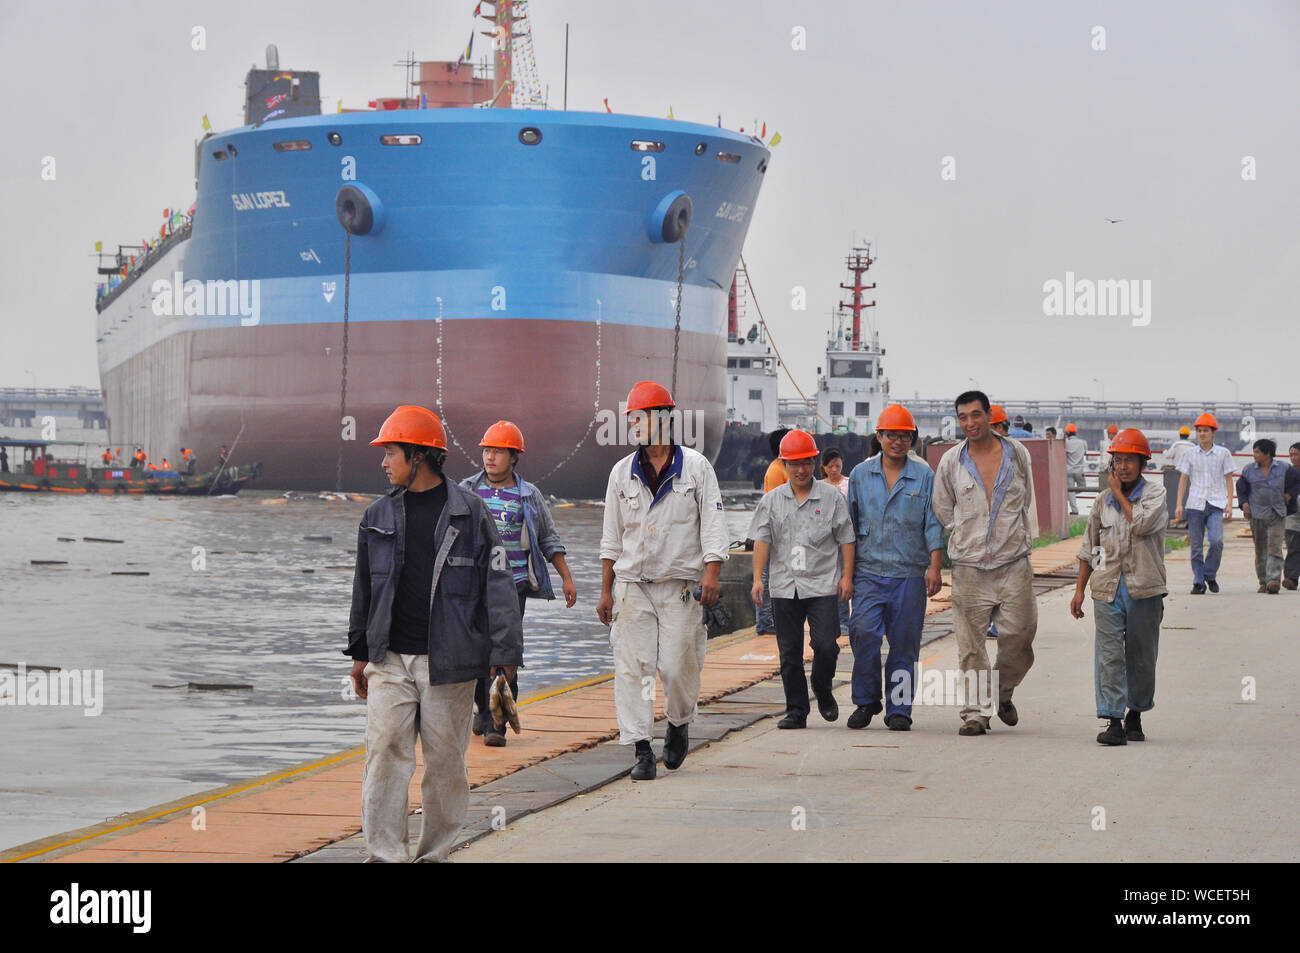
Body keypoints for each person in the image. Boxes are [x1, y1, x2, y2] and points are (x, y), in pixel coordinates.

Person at [344, 405, 522, 863]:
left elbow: (498, 585)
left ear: (419, 455)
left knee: (444, 766)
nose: (384, 463)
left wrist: (504, 655)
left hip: (451, 661)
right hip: (390, 659)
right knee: (384, 755)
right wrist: (360, 653)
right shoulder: (376, 515)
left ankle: (434, 854)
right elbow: (363, 588)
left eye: (390, 453)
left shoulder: (470, 513)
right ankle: (385, 855)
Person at [598, 381, 728, 781]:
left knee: (675, 667)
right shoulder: (621, 473)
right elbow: (611, 537)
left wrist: (712, 572)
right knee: (633, 669)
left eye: (643, 417)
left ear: (665, 420)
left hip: (681, 586)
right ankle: (641, 749)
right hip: (633, 585)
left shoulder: (696, 468)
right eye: (632, 419)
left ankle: (678, 722)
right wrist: (605, 590)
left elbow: (714, 524)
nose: (636, 425)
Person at [461, 420, 578, 745]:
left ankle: (498, 723)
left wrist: (566, 577)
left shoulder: (529, 495)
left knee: (506, 652)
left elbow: (548, 539)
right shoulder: (466, 491)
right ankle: (483, 710)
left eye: (498, 451)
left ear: (514, 457)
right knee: (476, 653)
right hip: (474, 587)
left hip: (513, 588)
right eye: (487, 450)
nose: (490, 457)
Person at [932, 390, 1039, 736]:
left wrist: (1026, 540)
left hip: (1013, 563)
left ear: (989, 416)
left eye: (975, 415)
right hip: (968, 567)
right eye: (963, 417)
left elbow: (1029, 500)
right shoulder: (951, 461)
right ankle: (976, 713)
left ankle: (1003, 692)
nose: (970, 423)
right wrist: (965, 533)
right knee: (971, 647)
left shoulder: (1017, 454)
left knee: (1020, 638)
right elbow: (943, 507)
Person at [845, 404, 943, 730]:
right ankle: (867, 700)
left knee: (904, 645)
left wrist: (934, 566)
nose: (897, 442)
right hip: (868, 572)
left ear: (912, 439)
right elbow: (848, 526)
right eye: (891, 435)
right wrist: (845, 574)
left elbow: (933, 523)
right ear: (879, 437)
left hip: (909, 574)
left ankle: (899, 709)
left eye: (904, 436)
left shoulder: (924, 475)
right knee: (863, 633)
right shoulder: (860, 475)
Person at [749, 429, 854, 729]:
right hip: (784, 585)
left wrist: (847, 576)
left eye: (806, 462)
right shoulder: (771, 501)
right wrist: (758, 579)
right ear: (783, 464)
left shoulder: (832, 497)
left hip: (822, 583)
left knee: (826, 645)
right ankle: (796, 710)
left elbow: (846, 538)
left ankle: (822, 688)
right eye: (793, 463)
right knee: (789, 652)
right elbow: (762, 540)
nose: (800, 469)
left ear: (815, 462)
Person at [1069, 429, 1167, 746]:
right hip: (1107, 588)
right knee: (1109, 656)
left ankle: (1135, 715)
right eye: (1118, 460)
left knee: (1141, 656)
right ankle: (1113, 721)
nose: (1123, 467)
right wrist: (1079, 590)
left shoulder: (1155, 496)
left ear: (1142, 464)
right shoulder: (1102, 502)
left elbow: (1140, 523)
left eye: (1129, 461)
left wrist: (1119, 495)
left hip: (1145, 589)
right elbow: (1089, 548)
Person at [1175, 412, 1235, 594]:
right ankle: (1198, 581)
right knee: (1196, 546)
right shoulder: (1190, 454)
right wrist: (1179, 504)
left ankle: (1209, 573)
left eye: (1206, 431)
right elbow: (1183, 479)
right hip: (1195, 504)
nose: (1202, 434)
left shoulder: (1223, 454)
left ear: (1213, 433)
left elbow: (1229, 479)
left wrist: (1230, 504)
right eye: (1200, 431)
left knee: (1216, 541)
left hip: (1216, 503)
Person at [1236, 438, 1299, 594]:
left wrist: (1290, 494)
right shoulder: (1249, 470)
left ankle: (1273, 580)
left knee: (1275, 547)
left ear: (1267, 453)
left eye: (1257, 452)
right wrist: (1244, 504)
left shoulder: (1284, 469)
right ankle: (1263, 580)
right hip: (1257, 514)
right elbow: (1241, 487)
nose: (1254, 455)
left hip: (1277, 513)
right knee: (1260, 549)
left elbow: (1297, 481)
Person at [753, 427, 791, 636]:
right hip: (774, 532)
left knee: (775, 578)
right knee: (766, 579)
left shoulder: (783, 468)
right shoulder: (777, 470)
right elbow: (776, 505)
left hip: (782, 533)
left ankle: (771, 620)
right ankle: (765, 622)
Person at [820, 446, 851, 635]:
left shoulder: (849, 483)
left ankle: (844, 621)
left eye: (837, 466)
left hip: (843, 538)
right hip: (824, 539)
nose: (834, 470)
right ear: (823, 467)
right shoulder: (819, 486)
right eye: (830, 466)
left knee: (843, 578)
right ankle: (828, 621)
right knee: (825, 580)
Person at [1064, 424, 1087, 516]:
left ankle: (1074, 510)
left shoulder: (1066, 443)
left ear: (1067, 433)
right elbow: (1085, 452)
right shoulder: (1082, 442)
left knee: (1070, 491)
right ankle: (1070, 495)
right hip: (1079, 470)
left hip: (1068, 470)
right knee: (1083, 487)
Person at [1286, 442, 1300, 590]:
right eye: (1291, 455)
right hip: (1292, 517)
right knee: (1294, 547)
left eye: (1296, 454)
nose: (1293, 457)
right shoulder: (1288, 473)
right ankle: (1291, 578)